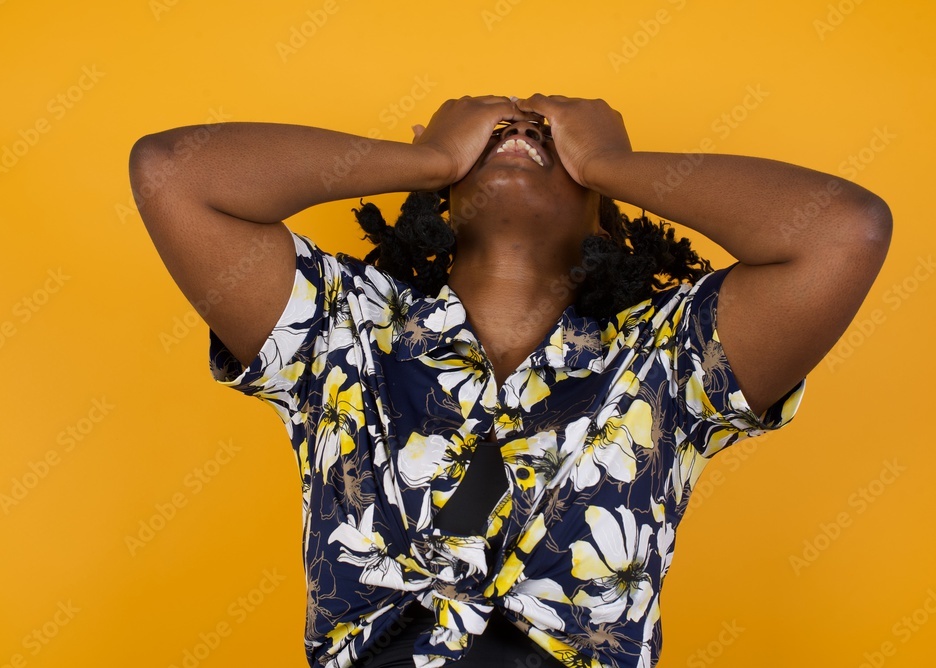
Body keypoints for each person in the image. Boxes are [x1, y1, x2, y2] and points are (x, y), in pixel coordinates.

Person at [129, 95, 892, 667]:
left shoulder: (668, 360)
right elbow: (172, 173)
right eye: (495, 132)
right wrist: (424, 156)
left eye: (546, 138)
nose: (522, 133)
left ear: (605, 216)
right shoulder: (342, 328)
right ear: (442, 199)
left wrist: (610, 162)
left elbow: (843, 230)